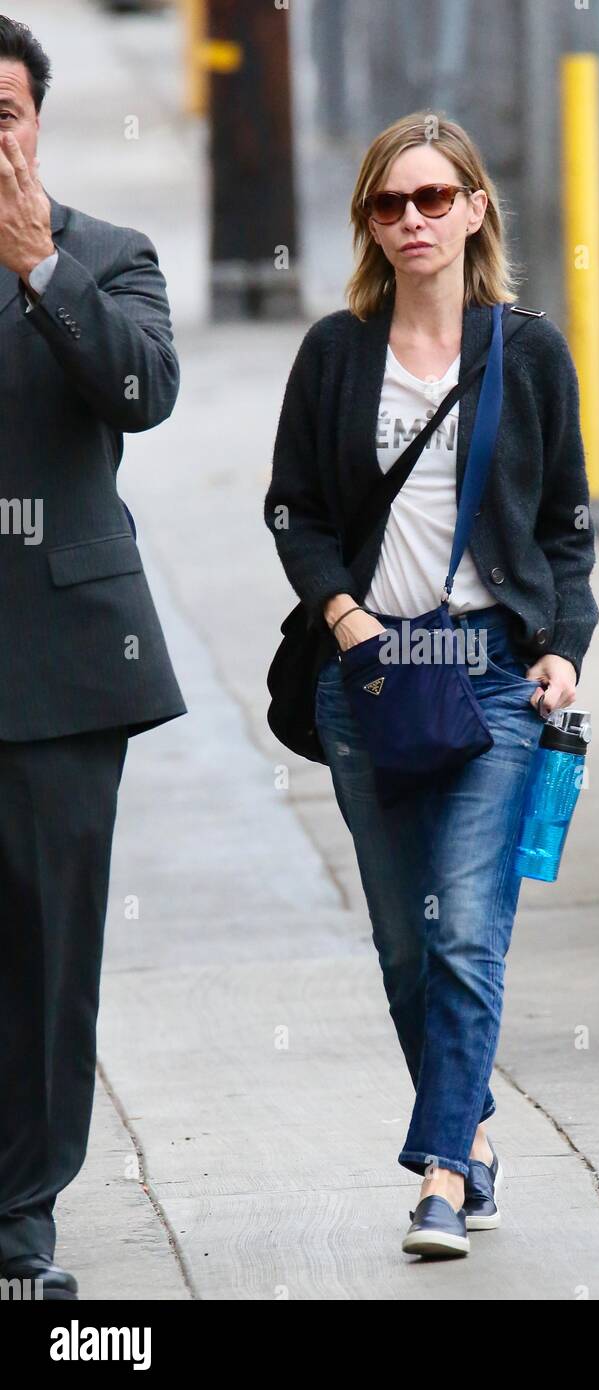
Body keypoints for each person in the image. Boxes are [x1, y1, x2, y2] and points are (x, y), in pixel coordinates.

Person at [265, 111, 599, 1258]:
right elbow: (293, 511)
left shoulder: (529, 350)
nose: (412, 221)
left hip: (491, 675)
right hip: (367, 678)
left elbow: (564, 529)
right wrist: (346, 617)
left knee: (463, 933)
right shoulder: (334, 351)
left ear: (473, 208)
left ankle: (443, 1175)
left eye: (432, 199)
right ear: (367, 221)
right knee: (404, 946)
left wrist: (563, 645)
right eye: (388, 204)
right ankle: (474, 1132)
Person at [0, 16, 185, 1299]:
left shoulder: (107, 256)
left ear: (35, 124)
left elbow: (142, 394)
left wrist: (39, 267)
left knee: (46, 958)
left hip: (59, 671)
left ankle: (21, 1221)